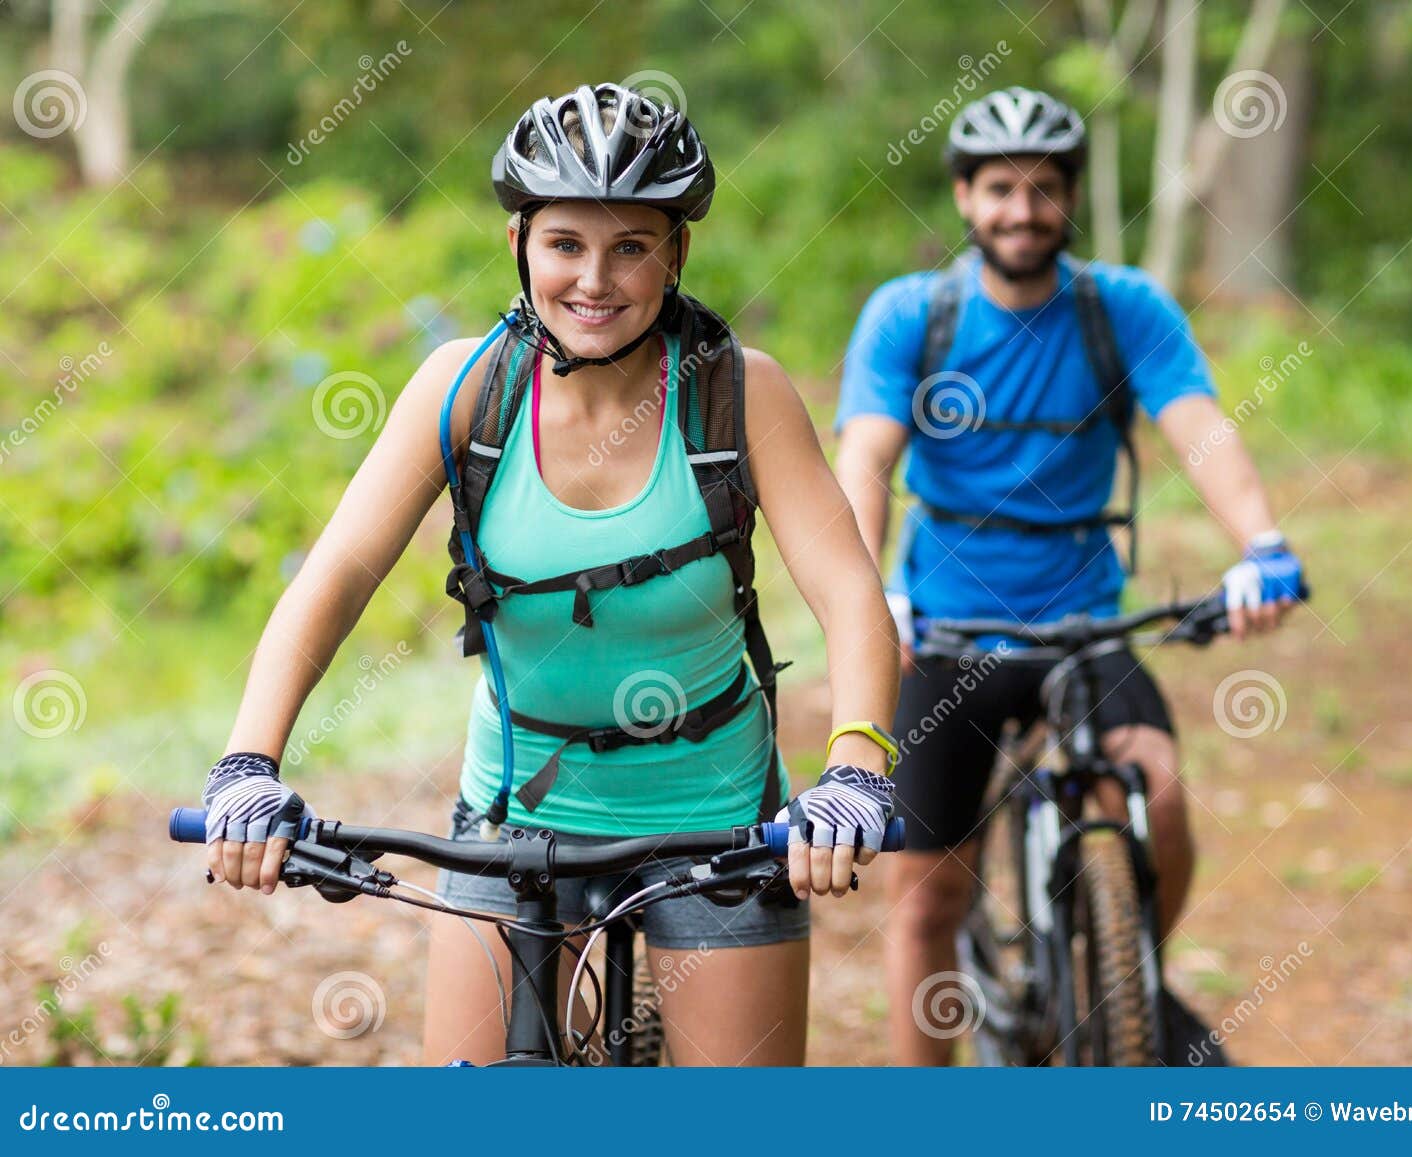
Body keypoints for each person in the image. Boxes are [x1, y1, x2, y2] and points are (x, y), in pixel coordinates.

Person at [200, 83, 901, 1067]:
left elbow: (850, 595)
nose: (595, 280)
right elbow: (337, 577)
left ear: (676, 253)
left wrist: (855, 769)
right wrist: (248, 761)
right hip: (513, 816)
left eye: (631, 247)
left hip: (717, 819)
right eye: (566, 243)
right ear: (520, 242)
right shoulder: (465, 388)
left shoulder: (739, 391)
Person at [833, 86, 1305, 1065]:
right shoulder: (910, 315)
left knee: (1158, 799)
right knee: (924, 897)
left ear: (1072, 196)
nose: (1023, 209)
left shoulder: (1120, 308)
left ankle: (1123, 986)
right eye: (1000, 188)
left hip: (1084, 626)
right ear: (964, 198)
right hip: (944, 633)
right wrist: (872, 592)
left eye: (1044, 188)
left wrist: (1261, 544)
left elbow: (1198, 429)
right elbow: (866, 459)